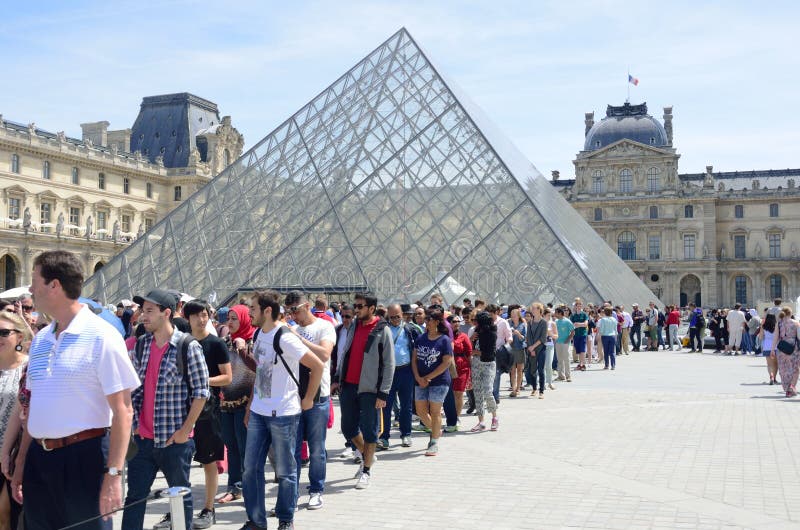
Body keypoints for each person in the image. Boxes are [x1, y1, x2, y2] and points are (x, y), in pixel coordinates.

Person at [21, 251, 139, 530]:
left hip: (84, 459)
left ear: (54, 285)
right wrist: (21, 463)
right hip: (39, 460)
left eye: (34, 281)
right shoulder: (41, 339)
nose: (30, 289)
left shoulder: (102, 336)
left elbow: (123, 411)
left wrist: (113, 474)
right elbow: (33, 407)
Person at [241, 290, 324, 530]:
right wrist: (250, 406)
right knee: (250, 470)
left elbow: (318, 365)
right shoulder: (259, 333)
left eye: (253, 309)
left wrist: (308, 399)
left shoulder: (285, 337)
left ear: (267, 311)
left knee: (286, 471)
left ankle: (286, 519)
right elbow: (261, 373)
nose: (249, 313)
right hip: (259, 411)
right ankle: (256, 521)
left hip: (284, 414)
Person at [333, 293, 394, 490]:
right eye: (355, 306)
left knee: (370, 431)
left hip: (370, 388)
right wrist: (337, 378)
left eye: (360, 306)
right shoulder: (354, 326)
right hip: (348, 385)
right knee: (348, 428)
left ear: (371, 308)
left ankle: (366, 470)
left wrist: (383, 393)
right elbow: (345, 353)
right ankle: (369, 456)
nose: (356, 309)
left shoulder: (382, 330)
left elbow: (389, 364)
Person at [282, 291, 336, 511]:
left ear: (307, 306)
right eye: (288, 311)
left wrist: (298, 338)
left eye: (295, 310)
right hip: (293, 396)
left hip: (317, 396)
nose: (292, 314)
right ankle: (292, 495)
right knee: (292, 450)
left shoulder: (324, 327)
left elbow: (324, 355)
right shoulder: (290, 328)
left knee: (316, 448)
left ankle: (316, 490)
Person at [183, 299, 232, 528]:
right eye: (196, 315)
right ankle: (179, 508)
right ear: (188, 318)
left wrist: (202, 380)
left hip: (208, 410)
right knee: (179, 461)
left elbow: (227, 377)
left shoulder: (216, 344)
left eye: (205, 315)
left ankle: (209, 508)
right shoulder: (182, 343)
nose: (201, 320)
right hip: (183, 408)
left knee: (209, 461)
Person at [217, 304, 256, 505]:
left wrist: (242, 349)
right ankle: (234, 486)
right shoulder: (224, 342)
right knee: (231, 447)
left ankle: (247, 487)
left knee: (244, 448)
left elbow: (259, 370)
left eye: (235, 319)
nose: (230, 322)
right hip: (226, 404)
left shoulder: (253, 342)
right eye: (229, 318)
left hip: (246, 404)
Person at [0, 311, 29, 530]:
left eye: (3, 332)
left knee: (6, 513)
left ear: (19, 336)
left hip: (15, 452)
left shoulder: (28, 368)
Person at [411, 308, 453, 456]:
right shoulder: (420, 338)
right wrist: (418, 377)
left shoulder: (444, 340)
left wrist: (428, 378)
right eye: (426, 319)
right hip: (420, 380)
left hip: (439, 381)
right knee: (421, 412)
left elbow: (446, 362)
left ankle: (434, 442)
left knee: (435, 412)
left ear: (436, 322)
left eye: (429, 319)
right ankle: (436, 430)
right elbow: (414, 359)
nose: (426, 322)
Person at [379, 304, 418, 450]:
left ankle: (406, 434)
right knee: (385, 406)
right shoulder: (383, 329)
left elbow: (416, 350)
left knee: (406, 406)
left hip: (406, 371)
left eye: (398, 316)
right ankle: (384, 437)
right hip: (388, 373)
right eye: (392, 317)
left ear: (403, 315)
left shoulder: (410, 329)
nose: (395, 319)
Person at [469, 311, 498, 432]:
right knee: (477, 393)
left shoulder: (491, 333)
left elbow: (491, 353)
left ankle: (494, 417)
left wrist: (477, 352)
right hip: (476, 365)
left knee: (487, 391)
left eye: (477, 321)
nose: (475, 323)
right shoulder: (475, 332)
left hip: (488, 365)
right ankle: (481, 422)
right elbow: (469, 348)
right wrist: (471, 339)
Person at [447, 314, 471, 422]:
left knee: (459, 393)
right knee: (450, 394)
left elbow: (469, 353)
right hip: (447, 368)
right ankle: (451, 416)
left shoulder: (463, 336)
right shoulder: (444, 336)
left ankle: (456, 418)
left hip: (462, 368)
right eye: (454, 321)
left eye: (458, 321)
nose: (457, 323)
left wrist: (471, 373)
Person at [775, 307, 799, 397]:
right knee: (795, 369)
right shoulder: (796, 323)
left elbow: (775, 337)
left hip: (781, 348)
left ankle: (787, 389)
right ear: (790, 313)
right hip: (793, 348)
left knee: (783, 369)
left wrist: (772, 349)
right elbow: (799, 337)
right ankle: (792, 387)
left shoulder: (779, 323)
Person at [525, 303, 547, 398]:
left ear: (539, 310)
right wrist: (531, 348)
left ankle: (541, 391)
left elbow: (543, 338)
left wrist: (533, 347)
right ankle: (534, 388)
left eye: (534, 308)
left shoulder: (544, 322)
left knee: (541, 370)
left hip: (541, 348)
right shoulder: (530, 322)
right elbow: (528, 336)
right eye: (532, 308)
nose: (532, 310)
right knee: (532, 369)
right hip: (531, 349)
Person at [507, 306, 526, 397]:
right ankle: (514, 389)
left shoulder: (522, 325)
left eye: (514, 315)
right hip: (511, 349)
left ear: (518, 316)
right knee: (512, 370)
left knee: (519, 370)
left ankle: (518, 388)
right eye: (512, 315)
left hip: (520, 349)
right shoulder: (508, 324)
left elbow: (524, 339)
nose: (513, 317)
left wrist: (518, 334)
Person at [554, 307, 574, 382]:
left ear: (560, 313)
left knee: (566, 359)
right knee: (559, 360)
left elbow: (573, 332)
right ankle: (561, 376)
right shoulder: (556, 321)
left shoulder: (567, 321)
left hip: (565, 344)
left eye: (556, 313)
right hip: (558, 342)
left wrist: (568, 339)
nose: (554, 314)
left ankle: (568, 376)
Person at [570, 299, 589, 371]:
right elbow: (571, 325)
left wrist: (578, 324)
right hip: (576, 335)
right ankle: (580, 364)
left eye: (580, 306)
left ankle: (583, 364)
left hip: (582, 334)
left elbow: (586, 324)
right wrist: (579, 325)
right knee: (578, 350)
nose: (579, 307)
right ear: (575, 306)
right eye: (577, 306)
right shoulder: (573, 315)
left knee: (582, 349)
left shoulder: (584, 314)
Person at [759, 313, 778, 385]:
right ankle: (775, 378)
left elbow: (760, 337)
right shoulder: (777, 326)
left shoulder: (763, 326)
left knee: (769, 364)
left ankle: (771, 376)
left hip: (767, 346)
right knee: (775, 364)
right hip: (776, 346)